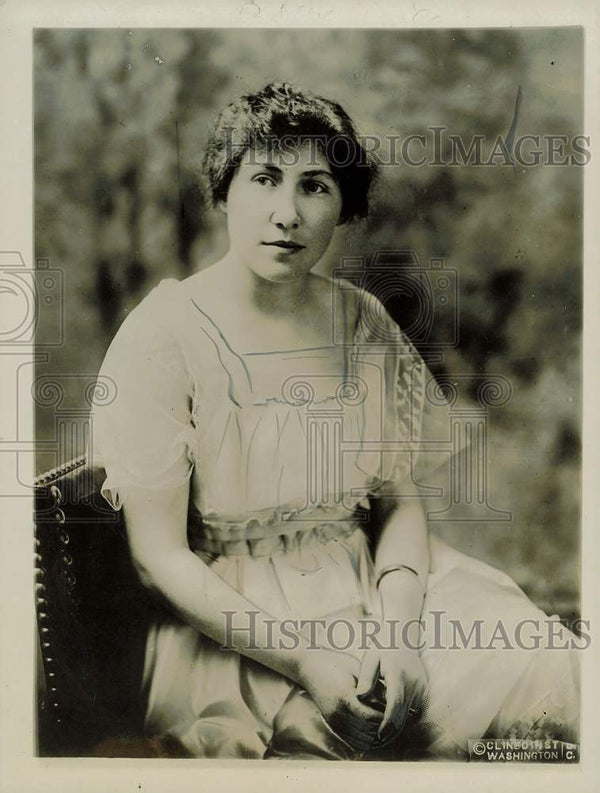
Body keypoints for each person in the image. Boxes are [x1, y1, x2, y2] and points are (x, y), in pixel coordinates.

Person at [91, 82, 580, 760]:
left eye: (314, 186)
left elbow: (398, 503)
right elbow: (159, 557)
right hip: (239, 626)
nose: (285, 212)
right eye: (264, 177)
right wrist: (308, 661)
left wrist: (401, 633)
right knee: (332, 739)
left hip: (380, 588)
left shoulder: (361, 320)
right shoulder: (164, 333)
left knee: (542, 667)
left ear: (343, 206)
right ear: (225, 190)